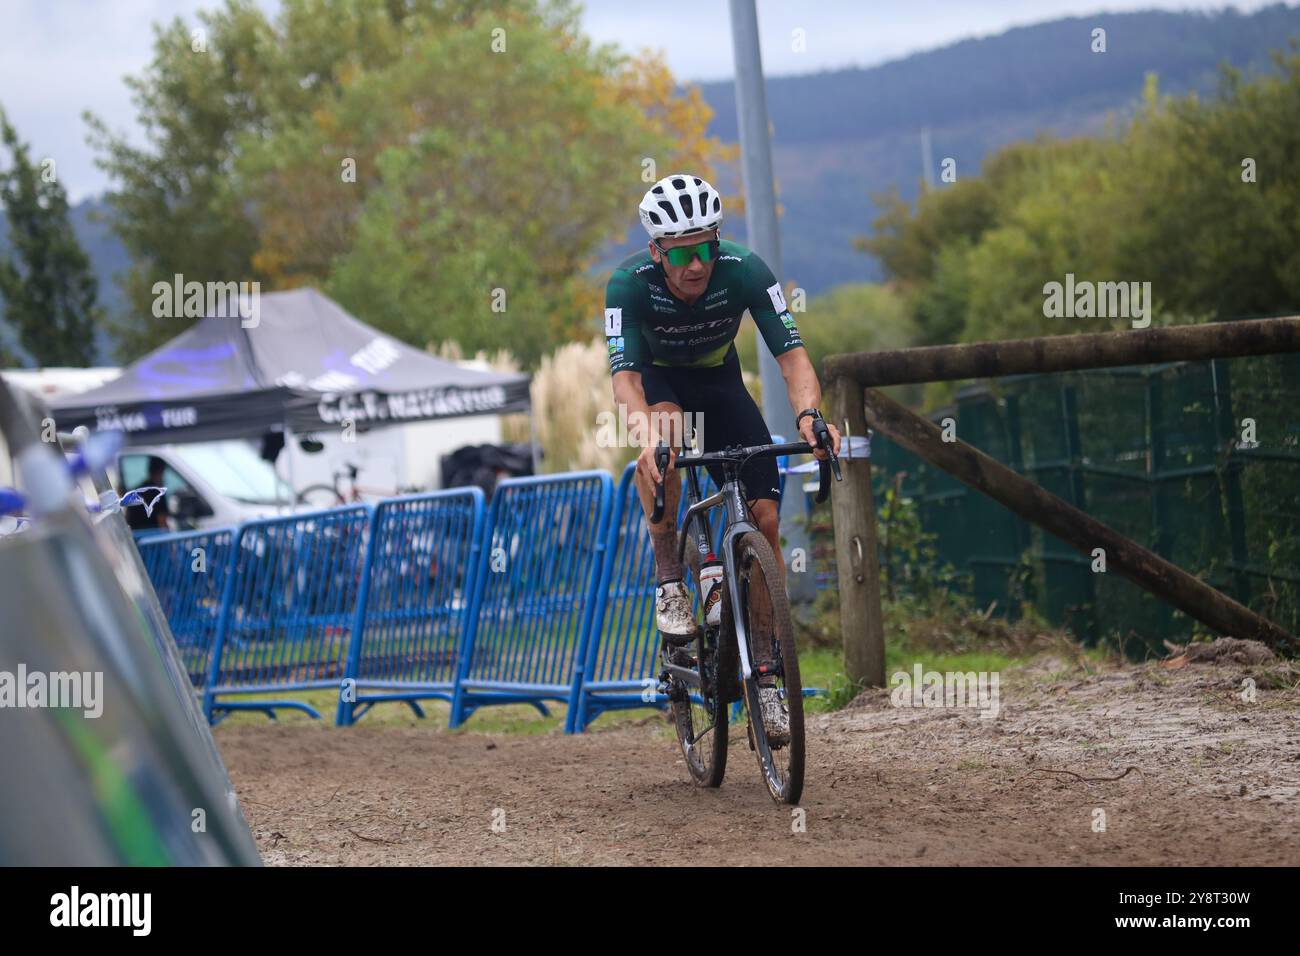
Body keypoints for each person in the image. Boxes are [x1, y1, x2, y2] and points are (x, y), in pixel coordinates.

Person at [605, 173, 841, 743]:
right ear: (657, 250)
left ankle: (765, 679)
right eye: (682, 251)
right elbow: (627, 381)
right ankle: (671, 581)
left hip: (720, 384)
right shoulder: (628, 285)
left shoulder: (744, 270)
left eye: (706, 246)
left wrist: (810, 416)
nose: (697, 263)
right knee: (662, 444)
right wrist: (646, 438)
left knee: (764, 519)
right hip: (661, 384)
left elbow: (792, 358)